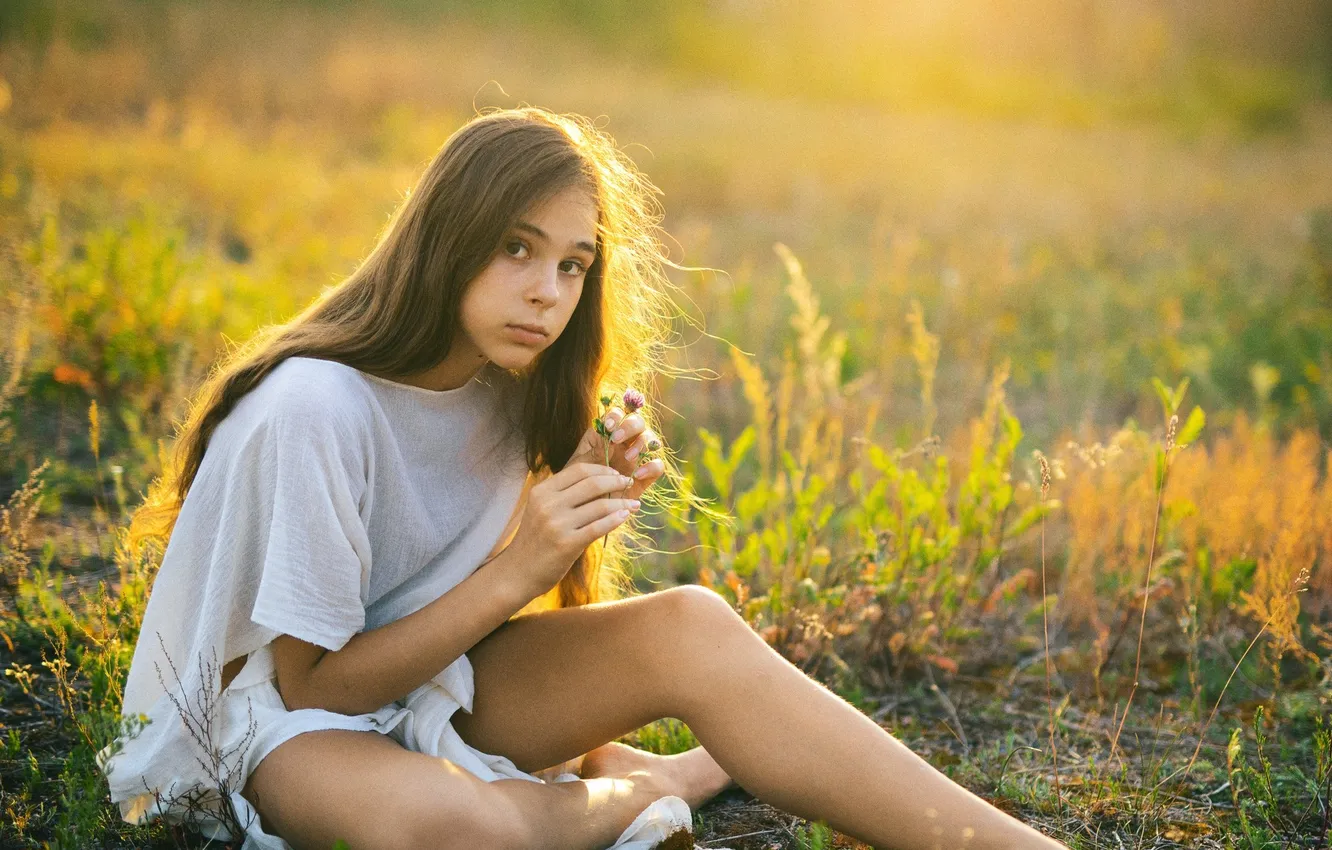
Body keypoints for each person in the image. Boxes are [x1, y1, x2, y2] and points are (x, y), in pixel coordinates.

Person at [97, 107, 1067, 850]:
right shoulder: (319, 407)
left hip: (434, 683)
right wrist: (519, 566)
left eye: (572, 265)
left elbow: (490, 614)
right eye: (517, 248)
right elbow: (320, 685)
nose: (546, 293)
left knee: (690, 623)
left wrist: (580, 495)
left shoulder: (506, 390)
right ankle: (646, 789)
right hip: (287, 722)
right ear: (446, 234)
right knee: (456, 829)